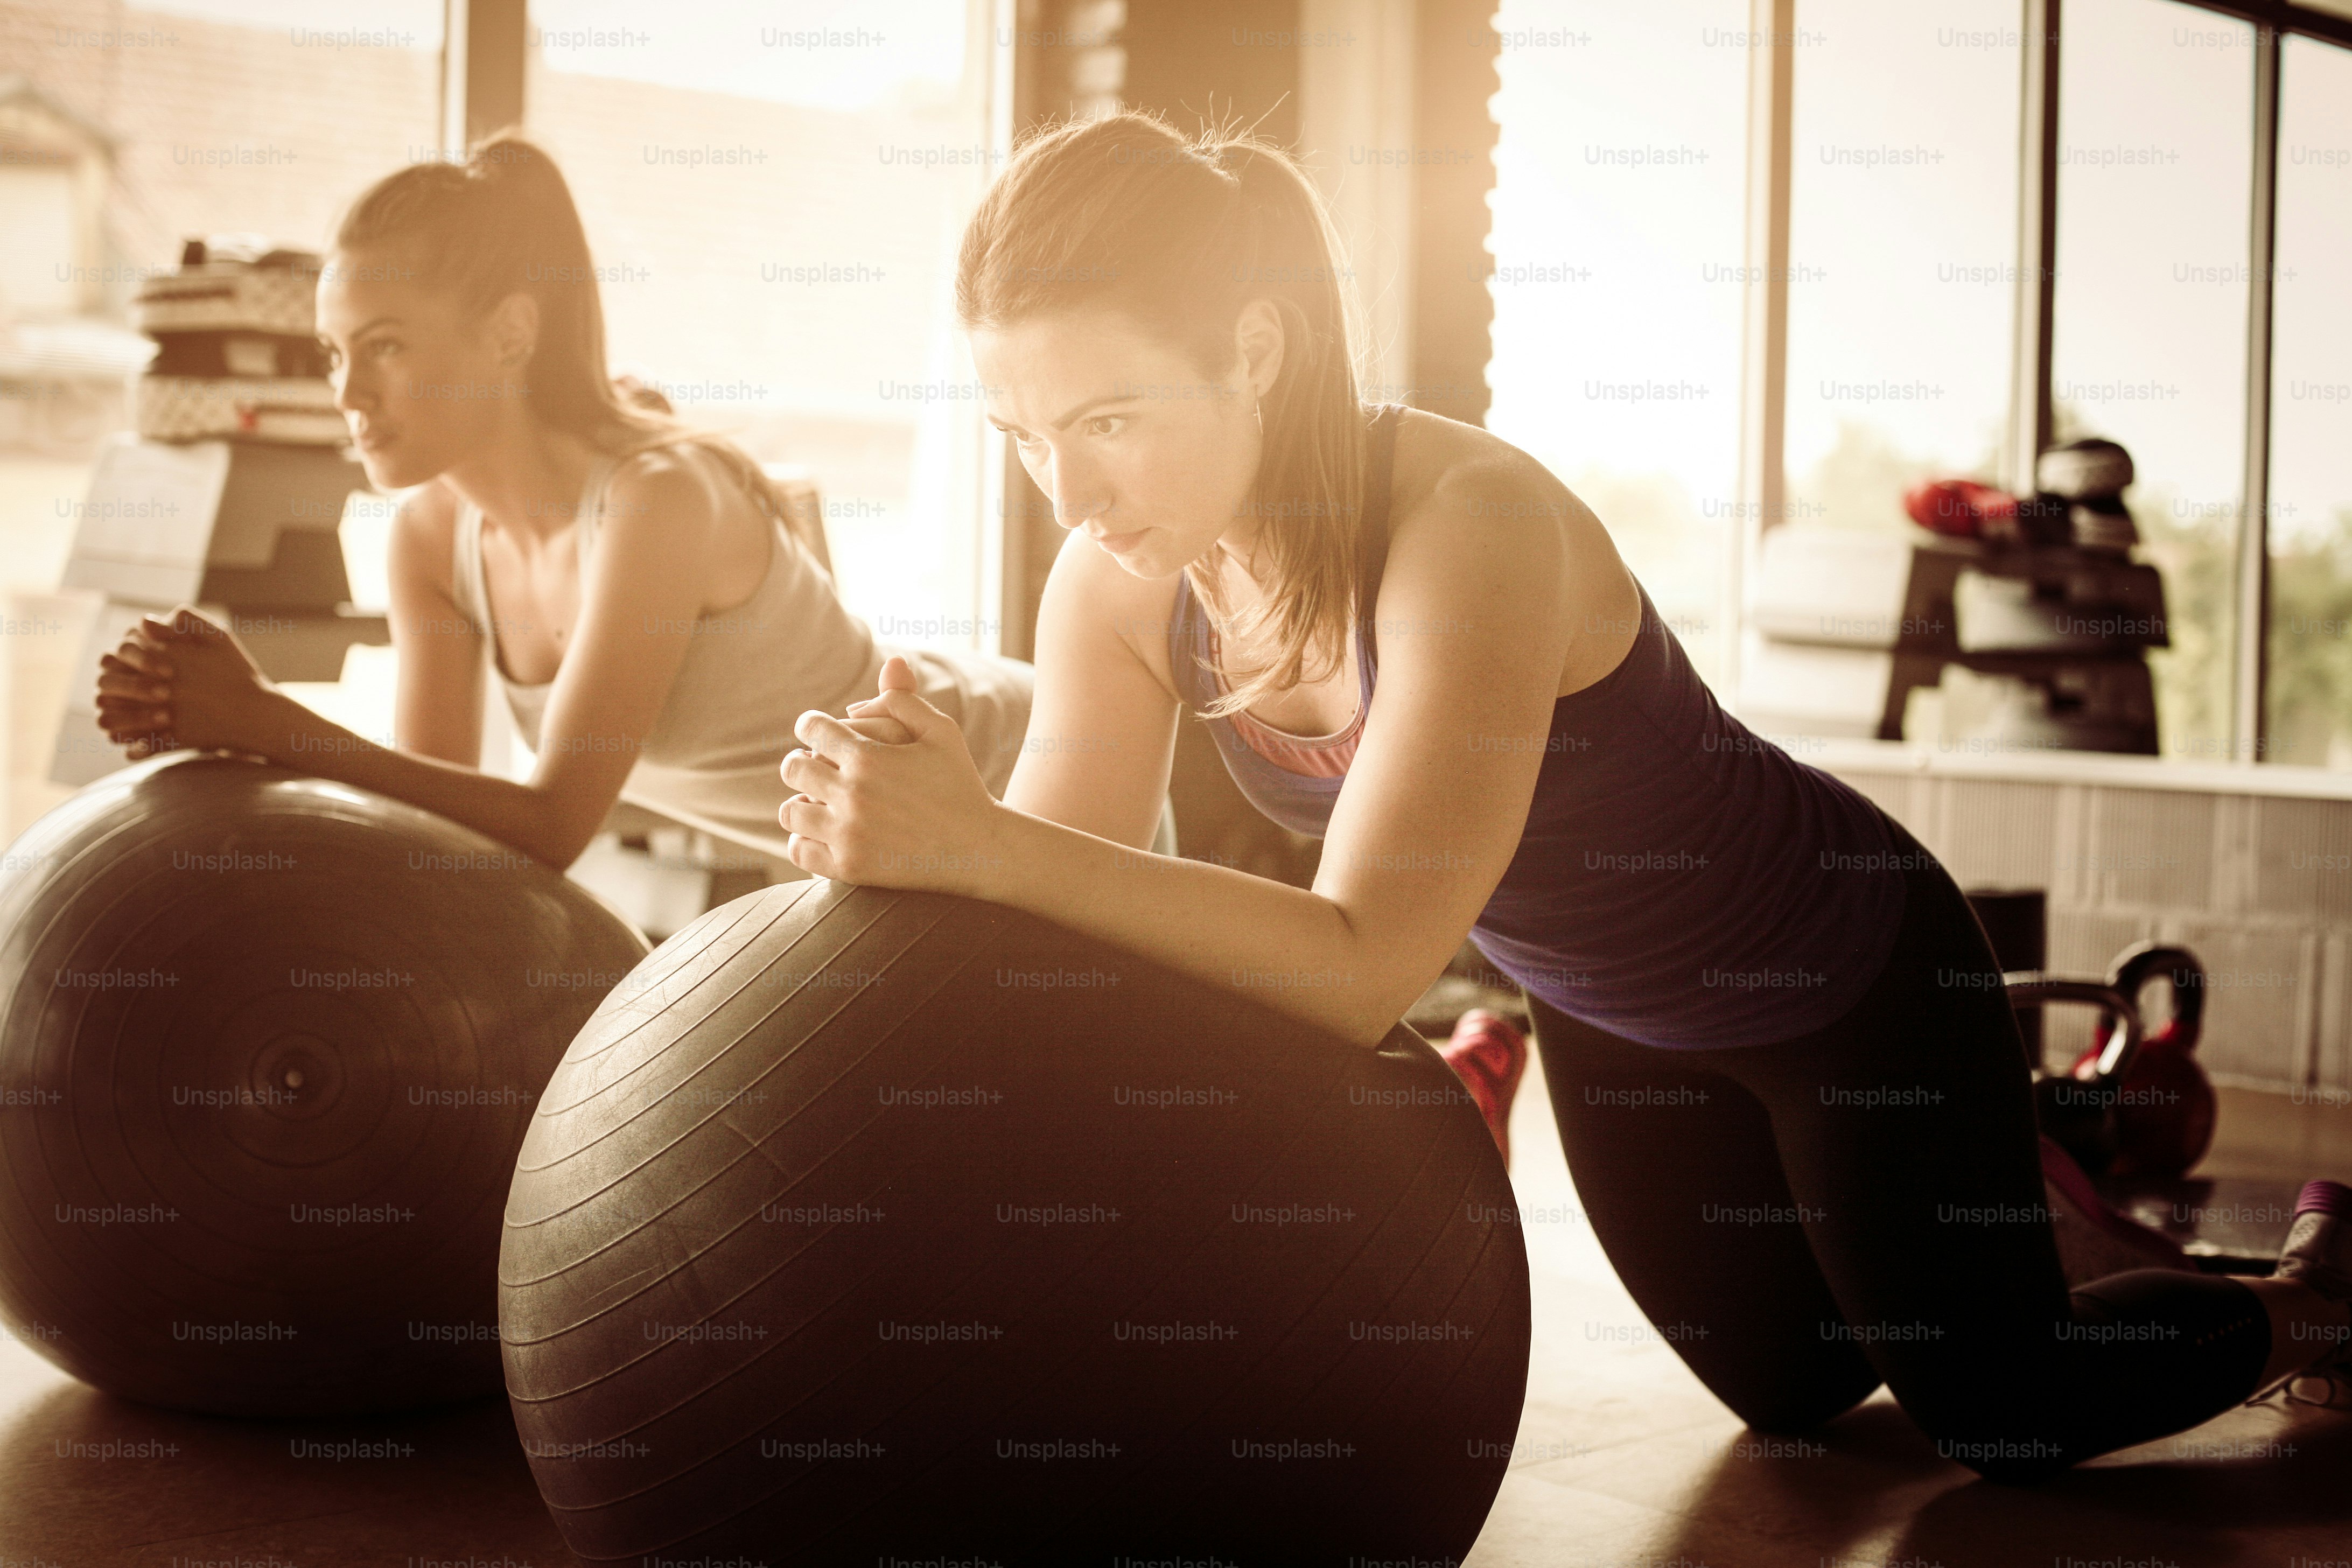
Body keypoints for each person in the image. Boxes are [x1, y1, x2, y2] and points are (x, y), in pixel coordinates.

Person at [775, 113, 2352, 1480]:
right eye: (1027, 437)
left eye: (1108, 420)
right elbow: (1071, 903)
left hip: (1842, 980)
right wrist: (916, 833)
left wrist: (982, 847)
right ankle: (2010, 1227)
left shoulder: (1467, 522)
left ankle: (2306, 1295)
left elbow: (1360, 963)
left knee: (2003, 1419)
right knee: (1794, 1398)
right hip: (1615, 1017)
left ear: (1253, 349)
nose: (1072, 491)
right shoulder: (1120, 583)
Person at [93, 131, 1032, 871]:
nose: (347, 395)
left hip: (1011, 779)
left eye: (384, 347)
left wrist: (262, 722)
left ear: (509, 333)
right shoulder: (430, 536)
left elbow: (551, 825)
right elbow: (436, 825)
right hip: (868, 850)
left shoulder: (654, 502)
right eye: (334, 354)